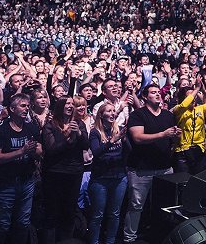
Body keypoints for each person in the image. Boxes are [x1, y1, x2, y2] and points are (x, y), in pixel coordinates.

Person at [123, 84, 179, 244]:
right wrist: (163, 134)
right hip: (142, 170)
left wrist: (175, 136)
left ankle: (159, 236)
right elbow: (138, 138)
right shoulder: (138, 115)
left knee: (163, 206)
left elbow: (172, 139)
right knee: (136, 206)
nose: (157, 95)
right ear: (145, 97)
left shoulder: (168, 115)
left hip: (165, 168)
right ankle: (129, 238)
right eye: (153, 92)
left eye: (158, 92)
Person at [0, 92, 43, 244]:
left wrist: (36, 151)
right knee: (2, 225)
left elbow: (39, 151)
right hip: (6, 184)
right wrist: (21, 151)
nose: (26, 109)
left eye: (28, 106)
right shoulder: (0, 131)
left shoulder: (31, 127)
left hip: (26, 181)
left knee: (23, 222)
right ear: (12, 109)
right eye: (23, 106)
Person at [41, 97, 88, 244]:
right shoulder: (50, 126)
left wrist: (79, 134)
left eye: (72, 104)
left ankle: (66, 241)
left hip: (74, 172)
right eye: (67, 103)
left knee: (69, 211)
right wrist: (67, 138)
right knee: (52, 212)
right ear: (60, 106)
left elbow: (86, 145)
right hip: (55, 172)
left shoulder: (79, 123)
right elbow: (51, 149)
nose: (70, 106)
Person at [88, 102, 128, 244]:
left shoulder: (119, 129)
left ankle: (110, 242)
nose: (112, 113)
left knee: (114, 214)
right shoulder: (95, 132)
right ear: (101, 114)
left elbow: (127, 152)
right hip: (101, 179)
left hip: (119, 177)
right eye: (108, 111)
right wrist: (111, 141)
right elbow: (97, 153)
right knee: (97, 215)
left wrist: (124, 139)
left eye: (113, 111)